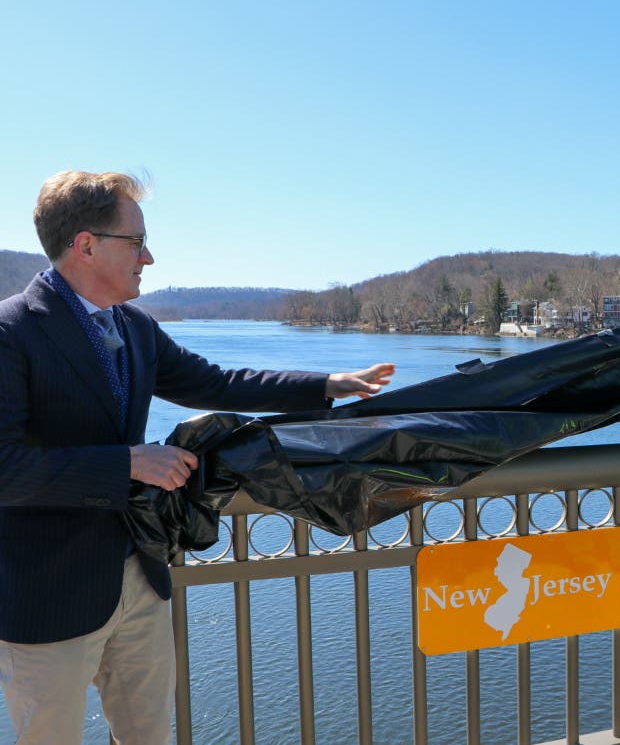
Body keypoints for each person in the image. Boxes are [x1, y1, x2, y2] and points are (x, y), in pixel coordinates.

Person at [0, 171, 396, 744]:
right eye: (137, 242)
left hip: (139, 576)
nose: (149, 257)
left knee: (149, 736)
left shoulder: (136, 327)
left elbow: (218, 383)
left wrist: (327, 385)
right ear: (85, 245)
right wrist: (127, 464)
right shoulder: (11, 331)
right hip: (48, 594)